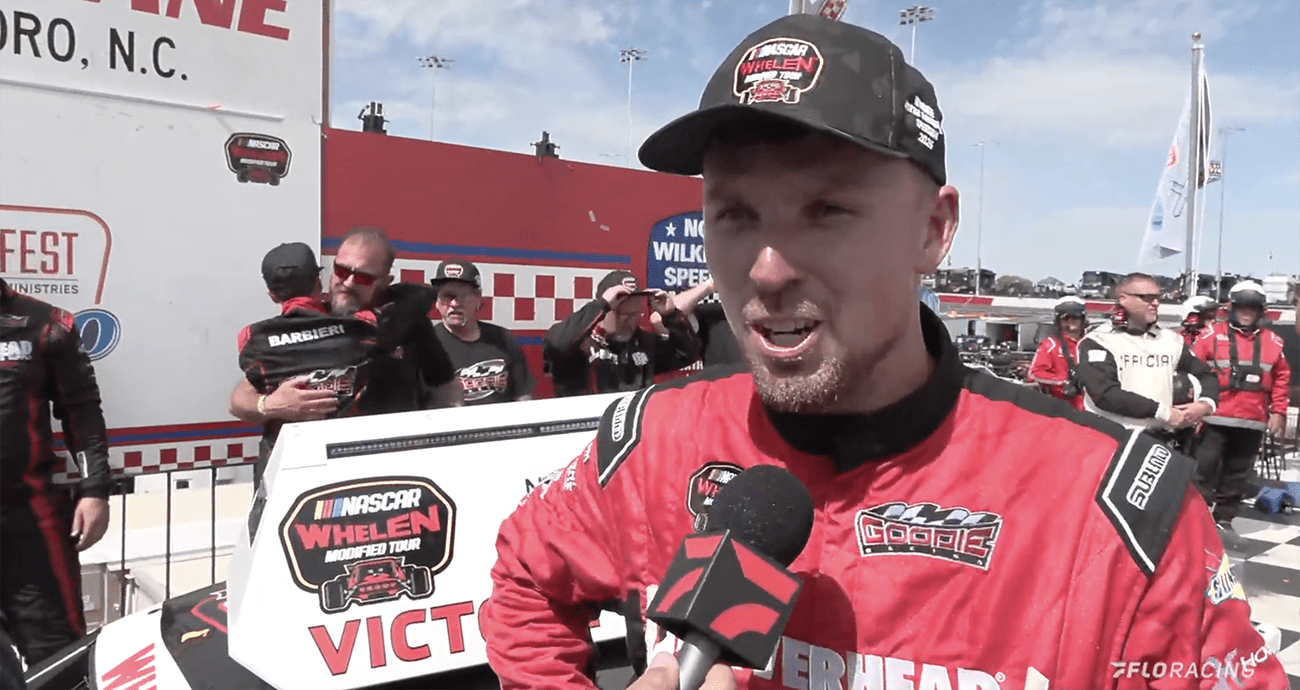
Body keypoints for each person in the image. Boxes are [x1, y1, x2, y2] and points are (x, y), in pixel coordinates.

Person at [482, 14, 1286, 690]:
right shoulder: (651, 443)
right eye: (732, 215)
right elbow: (522, 586)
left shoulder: (1116, 511)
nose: (766, 269)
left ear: (935, 229)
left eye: (826, 210)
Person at [228, 228, 461, 431]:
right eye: (341, 271)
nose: (348, 283)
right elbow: (240, 398)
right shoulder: (307, 321)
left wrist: (446, 434)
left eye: (363, 277)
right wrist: (270, 405)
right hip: (313, 461)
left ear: (385, 281)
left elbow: (445, 386)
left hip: (386, 459)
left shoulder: (407, 320)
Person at [1, 278, 111, 668]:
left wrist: (95, 488)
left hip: (28, 519)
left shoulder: (45, 323)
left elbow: (81, 409)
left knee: (60, 657)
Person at [232, 242, 399, 490]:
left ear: (272, 295)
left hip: (286, 470)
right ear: (318, 282)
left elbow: (245, 391)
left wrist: (268, 404)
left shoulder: (252, 338)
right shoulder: (365, 326)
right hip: (353, 467)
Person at [1075, 272, 1221, 446]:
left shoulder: (1171, 340)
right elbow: (1105, 394)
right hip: (1112, 439)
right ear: (1123, 299)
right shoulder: (1099, 340)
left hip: (1160, 440)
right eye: (1147, 298)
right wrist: (1164, 412)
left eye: (1157, 298)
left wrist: (1205, 404)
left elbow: (1205, 375)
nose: (1156, 303)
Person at [1191, 281, 1291, 524]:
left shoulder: (1274, 342)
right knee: (1202, 471)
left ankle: (1224, 520)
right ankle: (1196, 521)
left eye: (1252, 309)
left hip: (1252, 421)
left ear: (1260, 311)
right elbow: (1191, 372)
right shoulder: (1210, 335)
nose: (1247, 313)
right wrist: (1192, 409)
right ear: (1231, 308)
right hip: (1213, 418)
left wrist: (1278, 412)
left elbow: (1281, 378)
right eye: (1242, 308)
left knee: (1237, 474)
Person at [542, 270, 699, 396]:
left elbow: (687, 353)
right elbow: (556, 345)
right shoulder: (579, 343)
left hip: (627, 425)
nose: (629, 321)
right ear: (603, 311)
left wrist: (671, 316)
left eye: (634, 314)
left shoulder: (643, 342)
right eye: (623, 314)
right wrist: (601, 305)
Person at [429, 259, 536, 405]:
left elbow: (523, 394)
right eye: (447, 296)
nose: (454, 304)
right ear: (436, 301)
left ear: (478, 298)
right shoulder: (427, 345)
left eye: (462, 295)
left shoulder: (503, 339)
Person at [671, 277, 745, 369]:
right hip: (717, 381)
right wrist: (711, 284)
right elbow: (670, 310)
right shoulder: (711, 312)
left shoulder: (763, 318)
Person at [1027, 296, 1087, 410]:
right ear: (1058, 321)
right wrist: (1063, 381)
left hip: (1091, 408)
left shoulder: (1091, 344)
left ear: (1082, 319)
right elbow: (1034, 373)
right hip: (1062, 408)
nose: (1070, 321)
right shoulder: (1050, 345)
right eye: (1065, 318)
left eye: (1075, 317)